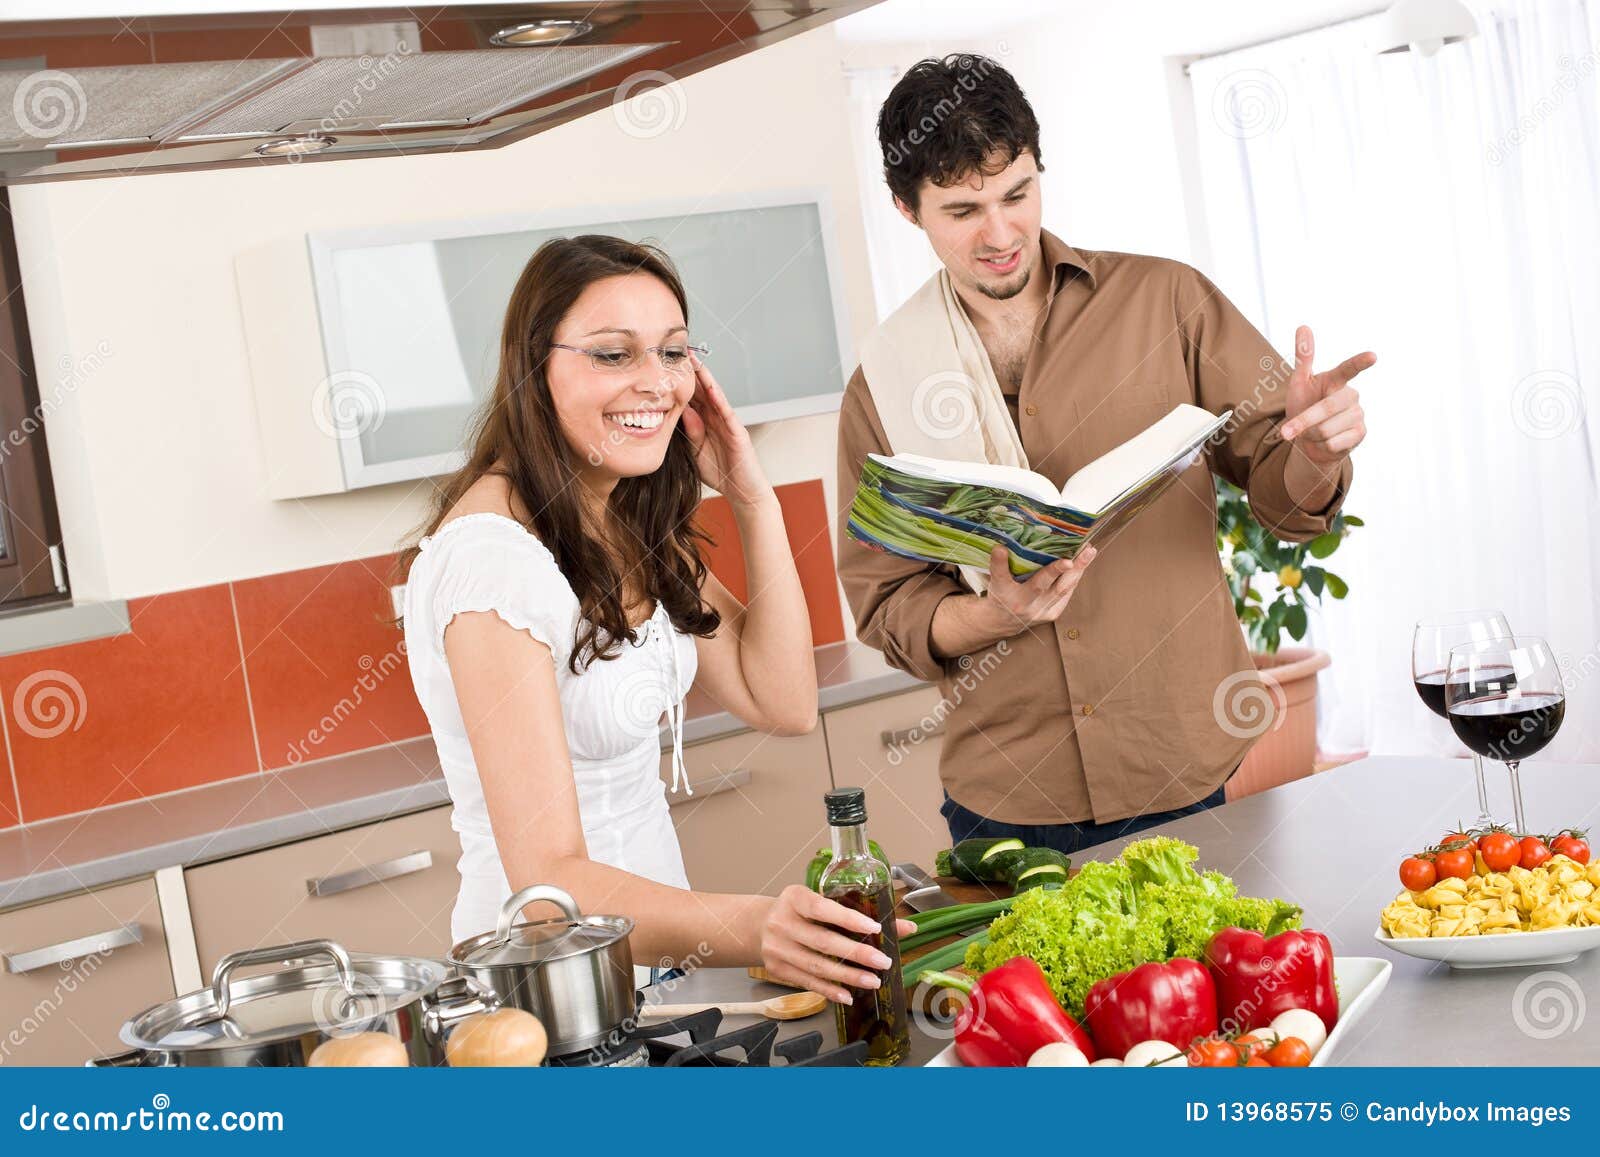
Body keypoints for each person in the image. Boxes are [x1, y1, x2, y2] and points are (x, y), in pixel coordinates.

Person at [836, 57, 1374, 855]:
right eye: (962, 210)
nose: (999, 233)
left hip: (1182, 770)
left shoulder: (1169, 301)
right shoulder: (882, 383)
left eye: (1017, 194)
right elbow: (888, 608)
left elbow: (1282, 498)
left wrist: (1315, 447)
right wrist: (992, 614)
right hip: (1008, 798)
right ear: (907, 210)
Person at [401, 234, 910, 1004]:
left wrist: (751, 495)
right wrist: (757, 925)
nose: (656, 382)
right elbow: (547, 886)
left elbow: (784, 701)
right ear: (534, 369)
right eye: (613, 355)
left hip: (657, 971)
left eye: (673, 352)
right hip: (545, 1000)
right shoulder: (491, 562)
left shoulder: (624, 518)